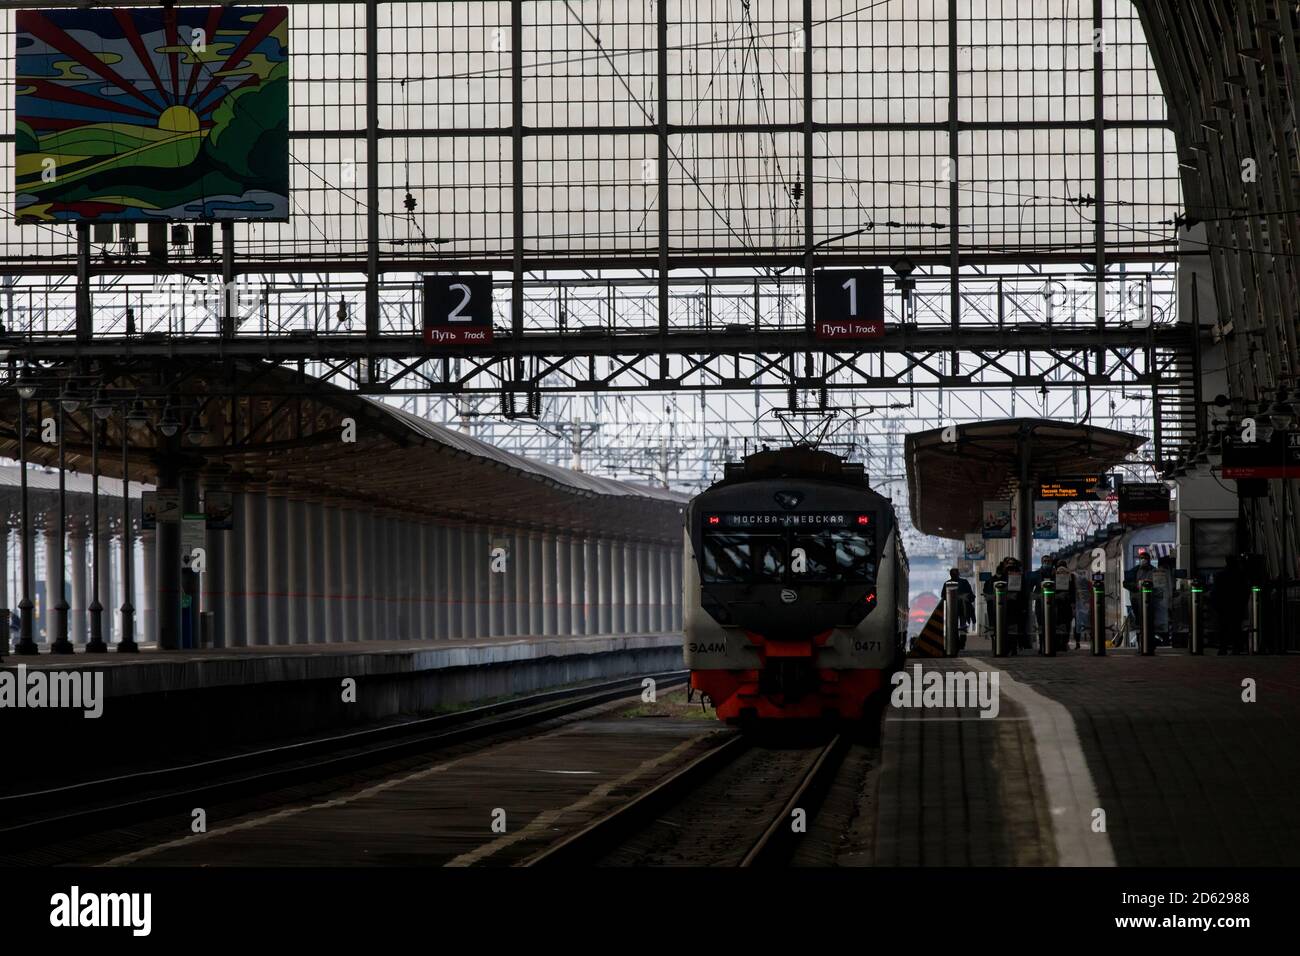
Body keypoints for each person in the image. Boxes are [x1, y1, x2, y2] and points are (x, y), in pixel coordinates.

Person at [1212, 556, 1248, 654]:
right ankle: (1236, 648)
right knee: (1236, 627)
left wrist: (1216, 605)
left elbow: (1215, 592)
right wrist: (1243, 603)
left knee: (1223, 628)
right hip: (1237, 605)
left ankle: (1223, 648)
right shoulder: (1241, 575)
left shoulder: (1220, 575)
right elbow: (1245, 591)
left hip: (1223, 606)